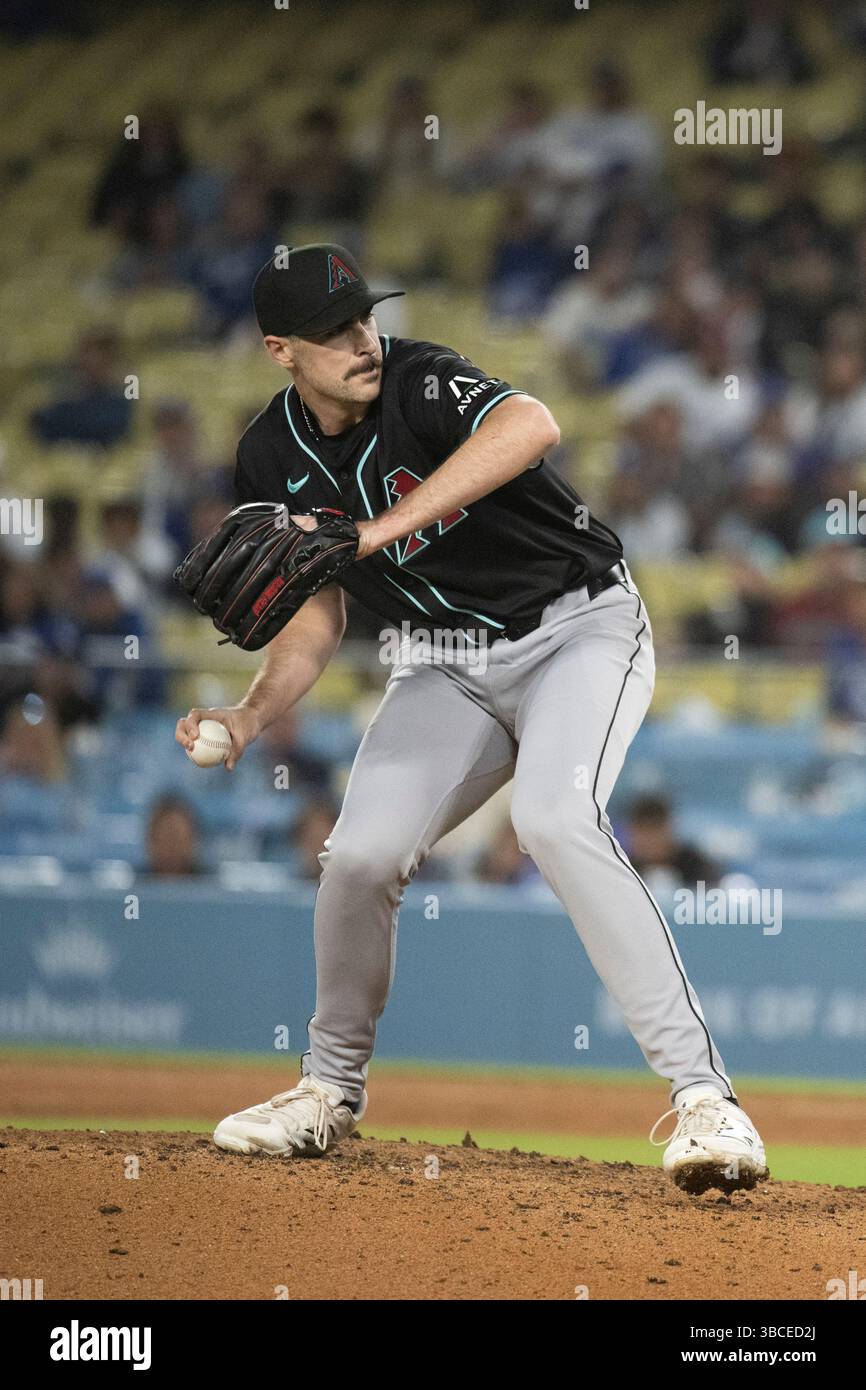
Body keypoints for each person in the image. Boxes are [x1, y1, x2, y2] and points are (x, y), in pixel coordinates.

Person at [176, 241, 768, 1193]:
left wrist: (364, 534)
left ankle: (708, 1101)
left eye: (365, 316)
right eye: (334, 331)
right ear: (281, 350)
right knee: (359, 854)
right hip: (443, 663)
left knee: (554, 818)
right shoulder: (268, 454)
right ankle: (327, 1092)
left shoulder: (420, 380)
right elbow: (316, 611)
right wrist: (249, 716)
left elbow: (532, 424)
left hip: (579, 627)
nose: (362, 340)